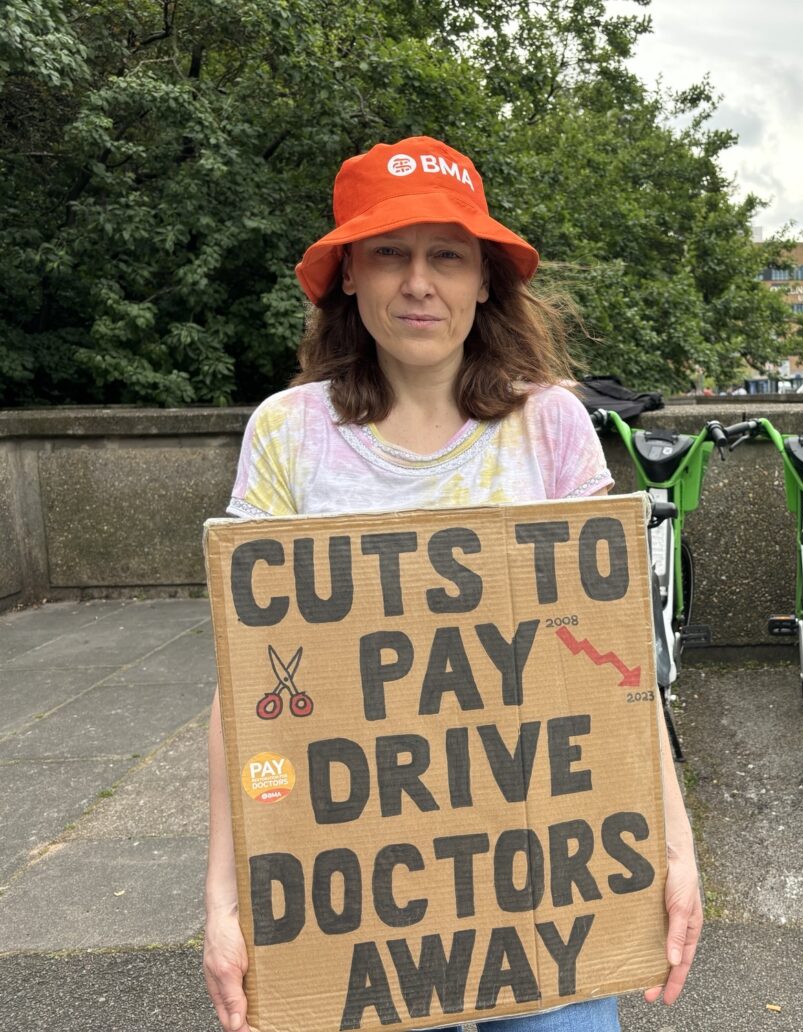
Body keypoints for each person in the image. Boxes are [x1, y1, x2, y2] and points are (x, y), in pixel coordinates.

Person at [202, 137, 702, 1032]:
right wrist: (227, 898)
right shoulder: (287, 434)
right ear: (347, 275)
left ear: (483, 282)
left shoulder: (551, 424)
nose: (418, 282)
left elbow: (614, 663)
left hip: (545, 873)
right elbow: (245, 685)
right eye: (389, 252)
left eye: (447, 255)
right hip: (354, 889)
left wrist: (674, 846)